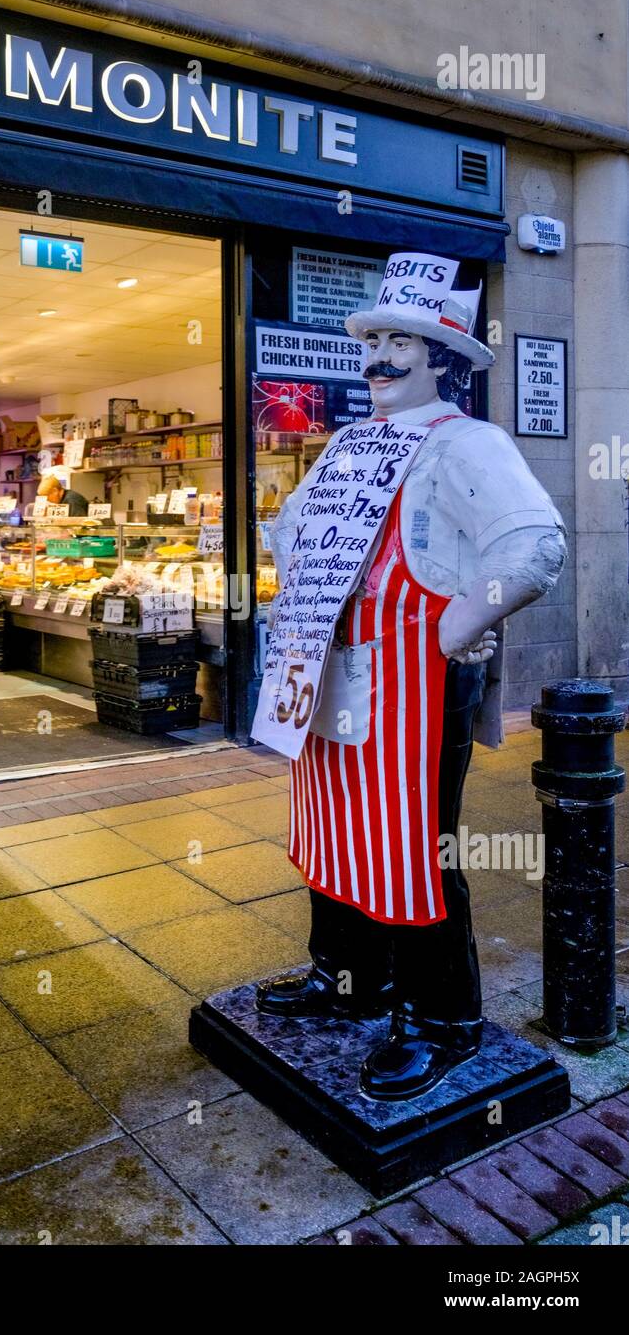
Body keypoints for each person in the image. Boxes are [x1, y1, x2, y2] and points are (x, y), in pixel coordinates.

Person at [255, 254, 566, 1101]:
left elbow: (536, 549)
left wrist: (453, 629)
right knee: (331, 829)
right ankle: (350, 980)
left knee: (412, 847)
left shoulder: (470, 443)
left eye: (402, 343)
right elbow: (288, 529)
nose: (379, 358)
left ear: (444, 360)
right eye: (376, 340)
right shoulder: (350, 441)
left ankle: (442, 1020)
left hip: (412, 681)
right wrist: (311, 598)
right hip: (327, 669)